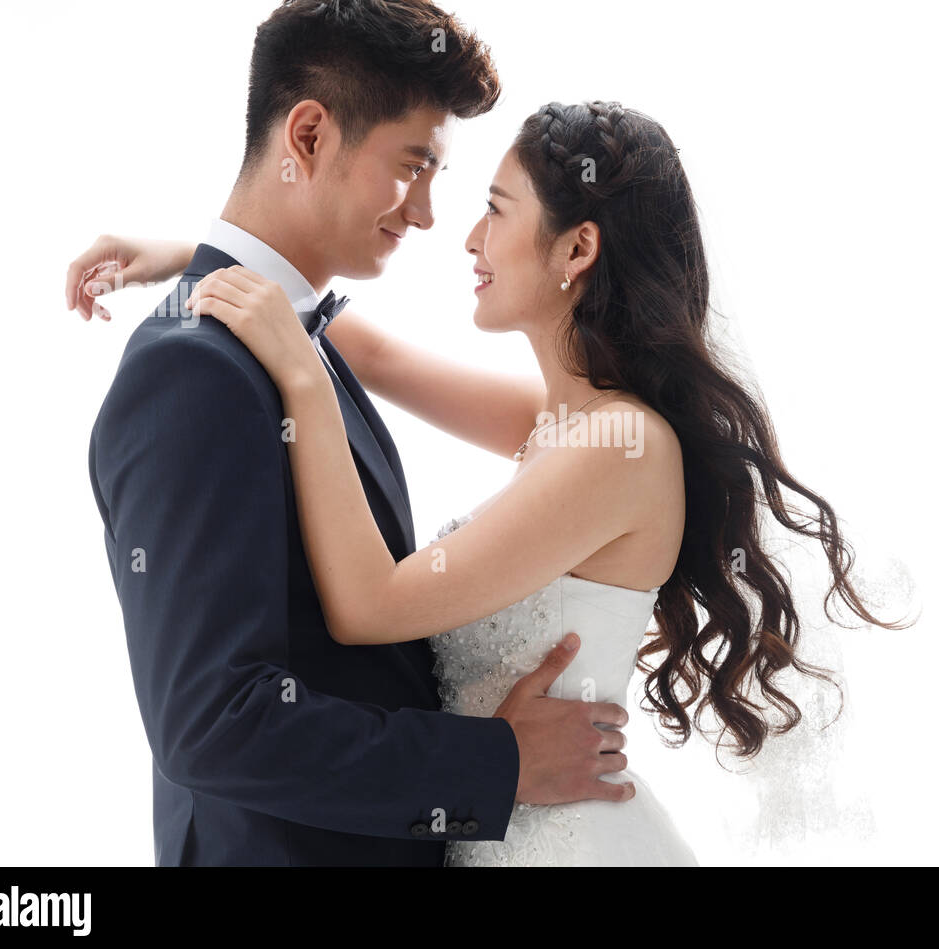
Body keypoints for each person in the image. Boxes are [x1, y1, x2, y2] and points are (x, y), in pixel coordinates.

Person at [73, 88, 909, 863]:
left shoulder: (619, 446)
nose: (467, 238)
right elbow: (357, 341)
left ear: (577, 248)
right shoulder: (567, 423)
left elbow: (370, 606)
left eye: (495, 211)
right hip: (495, 827)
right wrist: (191, 256)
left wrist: (302, 385)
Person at [78, 0, 640, 868]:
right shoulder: (192, 372)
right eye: (413, 168)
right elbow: (213, 726)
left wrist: (198, 255)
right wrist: (503, 765)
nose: (425, 216)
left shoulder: (293, 335)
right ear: (308, 137)